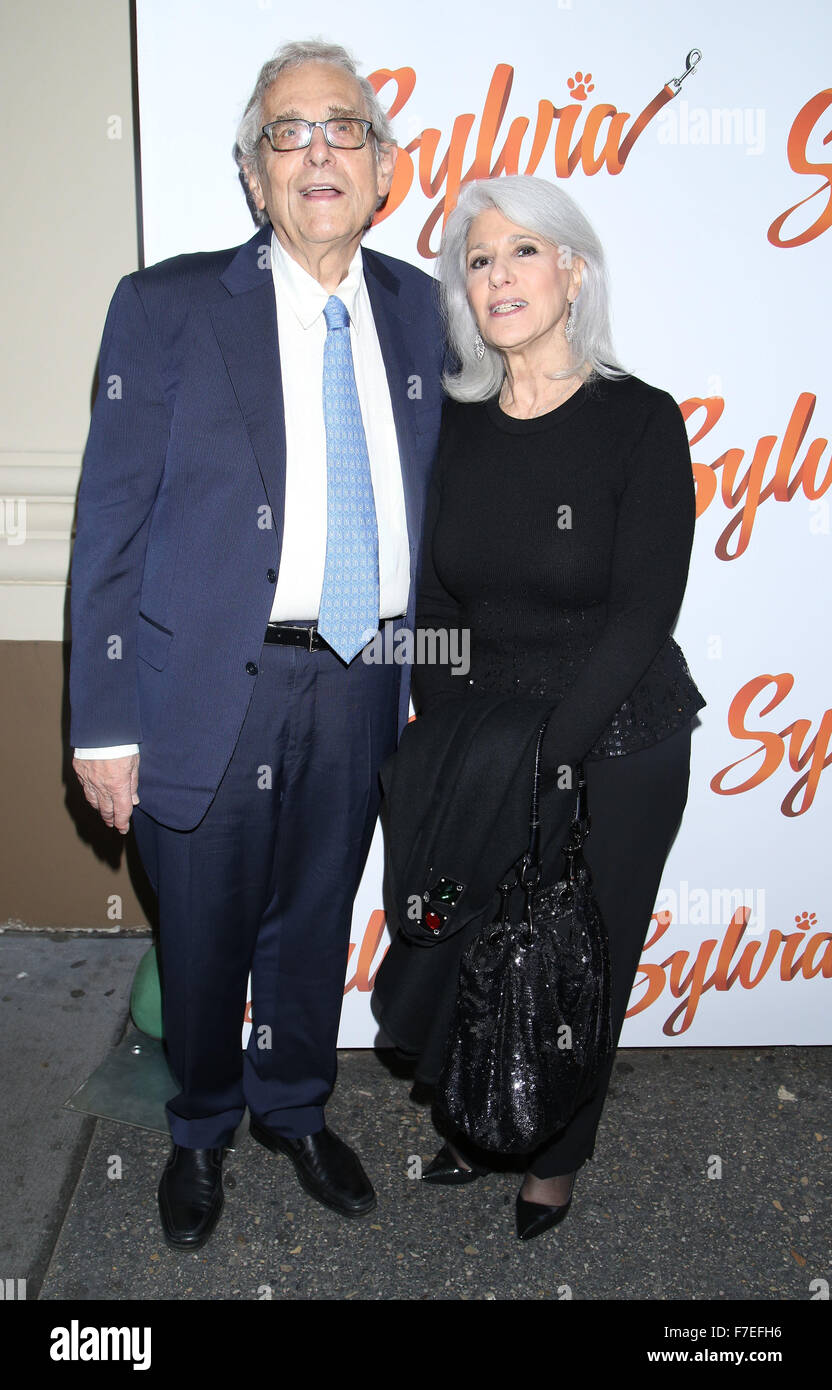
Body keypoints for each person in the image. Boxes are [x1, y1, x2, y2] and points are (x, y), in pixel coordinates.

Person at [69, 39, 443, 1250]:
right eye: (290, 132)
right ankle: (202, 1124)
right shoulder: (167, 308)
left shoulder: (424, 313)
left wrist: (437, 675)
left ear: (383, 168)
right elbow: (110, 526)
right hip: (204, 686)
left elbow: (449, 512)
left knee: (316, 912)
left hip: (366, 676)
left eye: (344, 128)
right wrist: (104, 721)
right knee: (208, 923)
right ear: (251, 173)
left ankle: (293, 1103)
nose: (319, 151)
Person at [373, 174, 706, 1241]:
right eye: (478, 261)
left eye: (522, 252)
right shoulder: (454, 428)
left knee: (575, 963)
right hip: (484, 741)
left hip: (614, 741)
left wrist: (548, 758)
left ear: (572, 270)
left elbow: (643, 613)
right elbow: (431, 602)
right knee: (477, 948)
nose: (499, 276)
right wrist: (451, 733)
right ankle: (482, 1119)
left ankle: (553, 1159)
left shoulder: (637, 421)